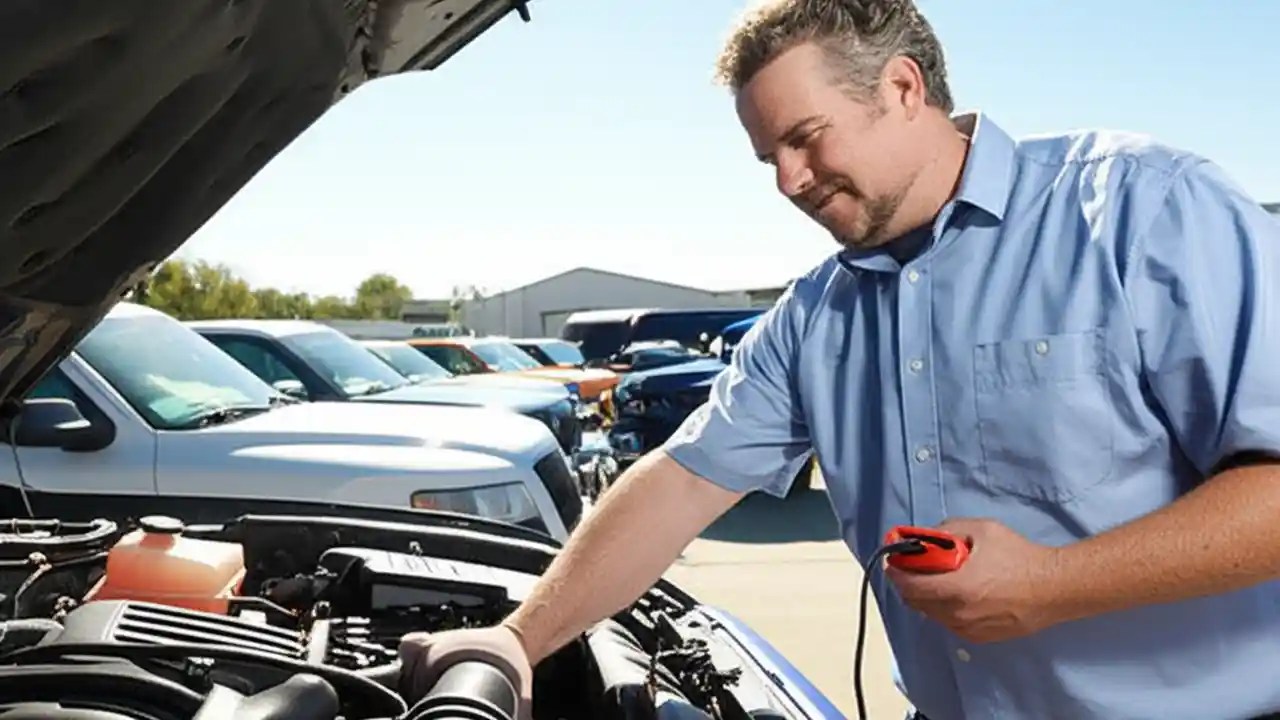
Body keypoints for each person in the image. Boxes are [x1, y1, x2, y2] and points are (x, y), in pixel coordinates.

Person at [399, 1, 1280, 718]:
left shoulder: (1141, 212)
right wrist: (520, 639)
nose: (788, 180)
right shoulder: (818, 313)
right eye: (768, 157)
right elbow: (682, 480)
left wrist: (1056, 583)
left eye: (805, 137)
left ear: (903, 87)